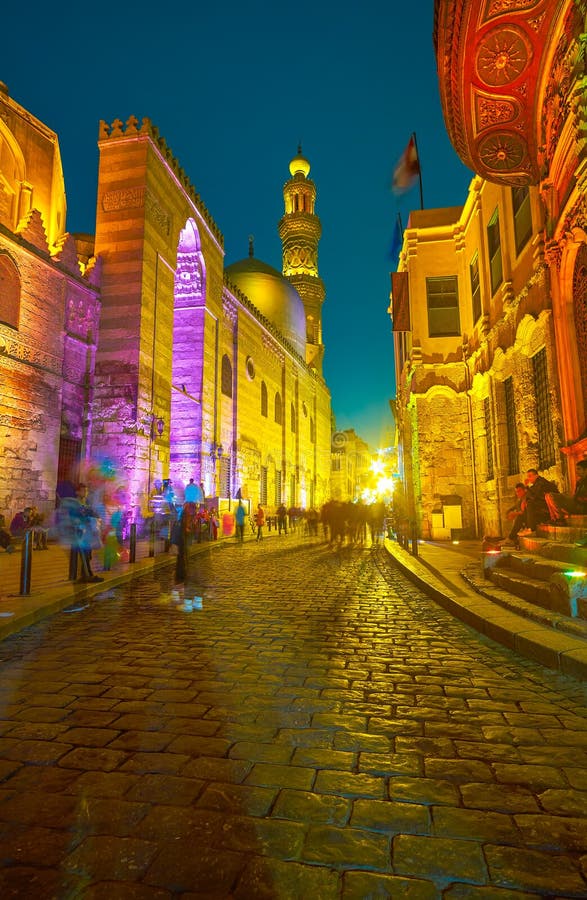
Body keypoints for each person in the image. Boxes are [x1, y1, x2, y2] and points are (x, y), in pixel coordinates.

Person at [519, 468, 557, 535]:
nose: (528, 478)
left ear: (536, 476)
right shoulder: (536, 483)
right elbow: (531, 495)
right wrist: (524, 501)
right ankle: (527, 528)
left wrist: (526, 487)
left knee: (530, 504)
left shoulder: (541, 482)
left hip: (551, 505)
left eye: (530, 476)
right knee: (526, 506)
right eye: (528, 476)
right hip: (545, 503)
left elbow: (534, 496)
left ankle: (531, 528)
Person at [501, 483, 527, 548]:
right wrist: (509, 511)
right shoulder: (520, 499)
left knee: (519, 518)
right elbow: (515, 506)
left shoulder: (527, 498)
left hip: (529, 520)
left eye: (519, 491)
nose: (518, 493)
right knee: (516, 518)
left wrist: (515, 514)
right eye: (516, 492)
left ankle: (511, 538)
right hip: (523, 519)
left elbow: (525, 512)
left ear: (524, 490)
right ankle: (512, 538)